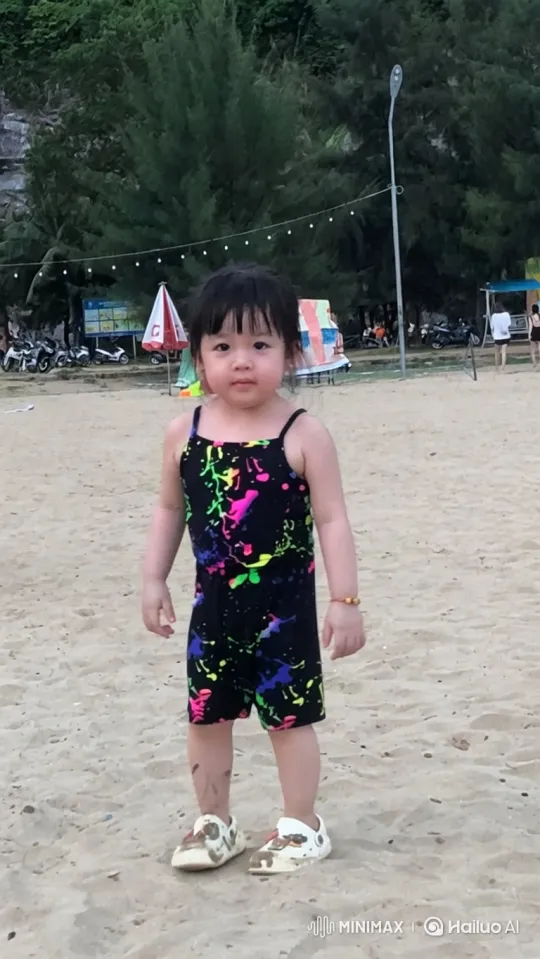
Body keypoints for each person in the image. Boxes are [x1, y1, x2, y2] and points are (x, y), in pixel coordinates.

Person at [141, 263, 366, 875]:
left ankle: (301, 825)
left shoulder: (303, 433)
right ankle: (214, 821)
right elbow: (169, 509)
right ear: (199, 356)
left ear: (290, 353)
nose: (242, 361)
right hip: (212, 610)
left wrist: (345, 602)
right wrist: (152, 578)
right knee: (207, 715)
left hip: (284, 614)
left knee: (289, 720)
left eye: (260, 345)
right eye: (223, 346)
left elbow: (334, 521)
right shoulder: (182, 433)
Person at [490, 303, 512, 371]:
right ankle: (503, 366)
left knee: (497, 352)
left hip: (497, 336)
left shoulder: (494, 316)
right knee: (504, 351)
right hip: (506, 335)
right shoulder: (506, 314)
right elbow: (509, 324)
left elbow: (492, 327)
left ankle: (496, 366)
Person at [528, 303, 540, 369]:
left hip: (534, 332)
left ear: (532, 309)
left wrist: (529, 335)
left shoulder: (530, 317)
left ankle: (534, 362)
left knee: (532, 349)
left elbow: (530, 327)